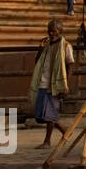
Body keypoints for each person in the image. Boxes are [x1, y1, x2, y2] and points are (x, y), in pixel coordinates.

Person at [29, 20, 73, 148]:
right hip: (43, 83)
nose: (51, 33)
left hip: (55, 85)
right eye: (49, 30)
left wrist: (65, 85)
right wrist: (40, 49)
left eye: (54, 30)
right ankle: (64, 130)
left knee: (49, 113)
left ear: (60, 31)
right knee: (40, 116)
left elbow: (70, 65)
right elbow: (37, 61)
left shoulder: (66, 46)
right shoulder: (46, 45)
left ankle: (47, 141)